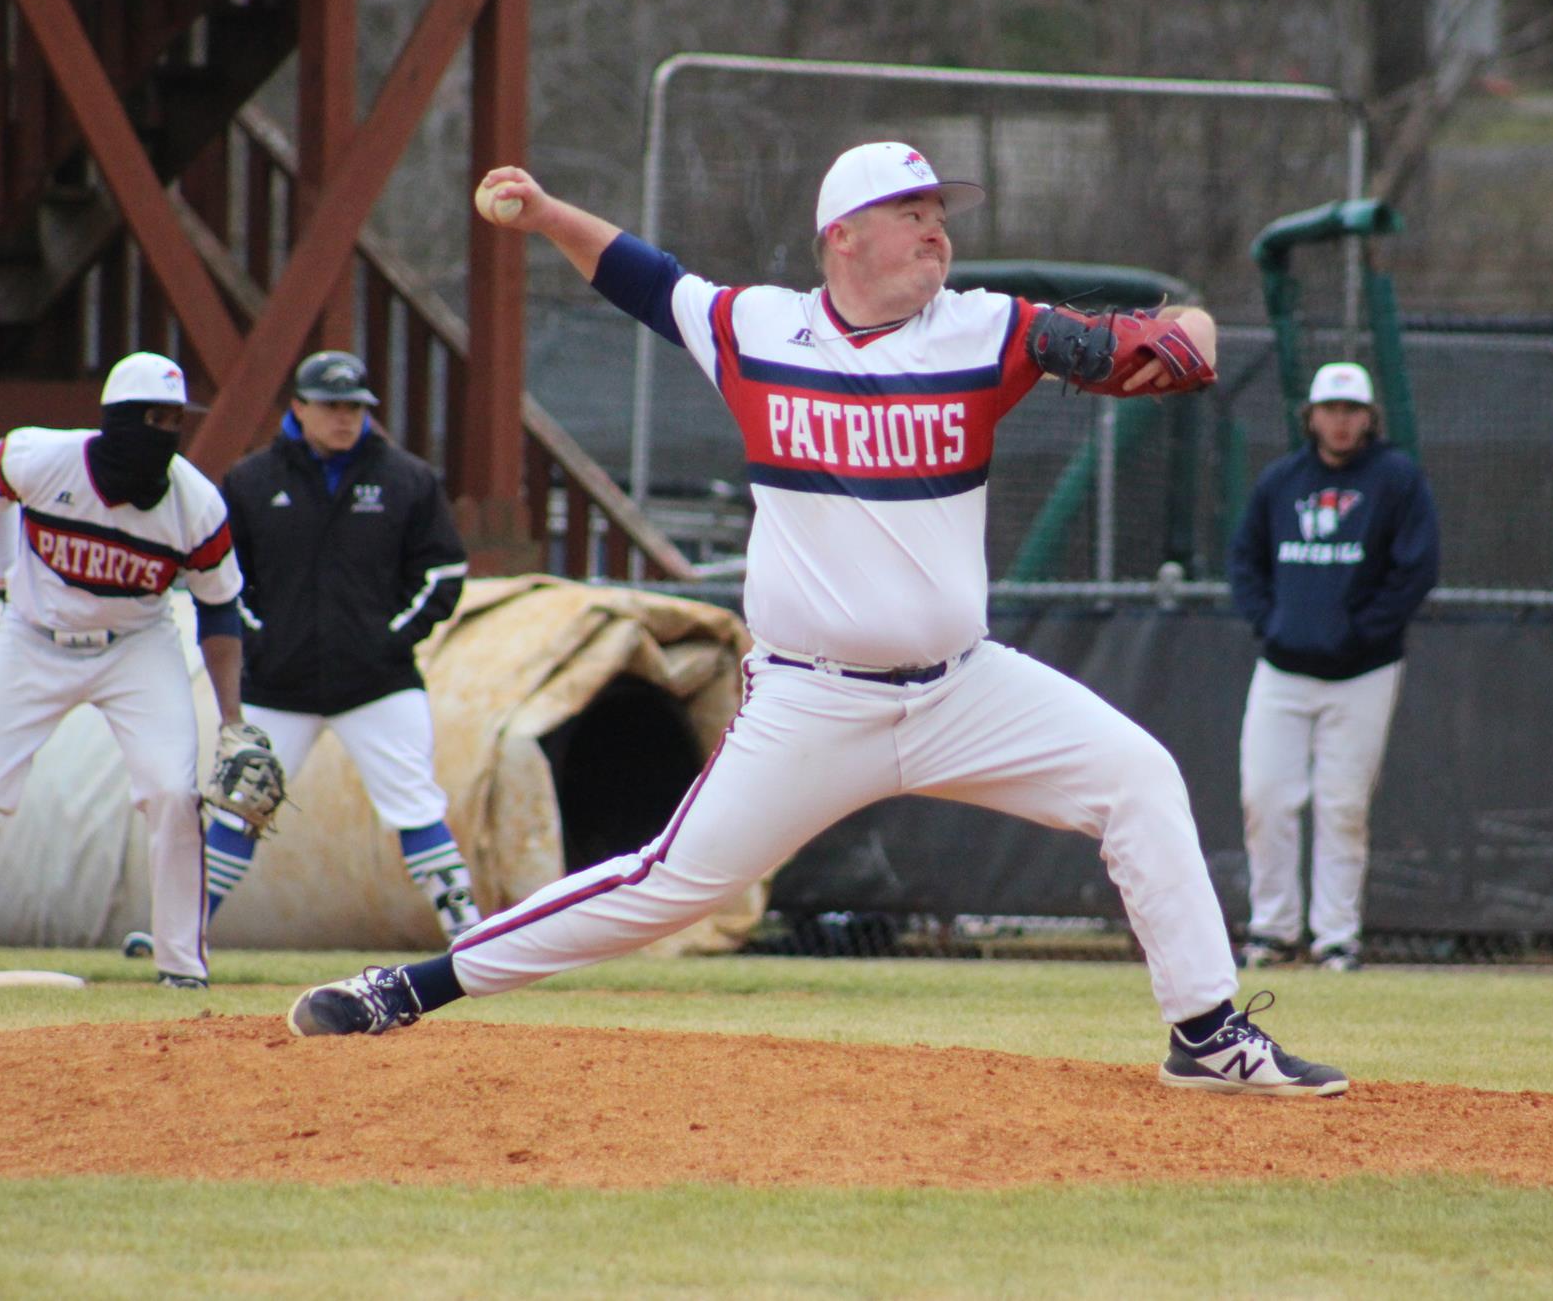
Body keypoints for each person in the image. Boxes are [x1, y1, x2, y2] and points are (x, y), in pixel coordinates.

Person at [286, 141, 1349, 1098]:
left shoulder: (986, 330)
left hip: (962, 688)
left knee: (1138, 779)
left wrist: (1173, 337)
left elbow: (1188, 342)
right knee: (664, 887)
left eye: (942, 210)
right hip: (811, 702)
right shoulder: (757, 328)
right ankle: (408, 987)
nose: (937, 226)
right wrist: (551, 209)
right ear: (842, 236)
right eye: (911, 208)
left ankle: (1205, 1036)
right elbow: (643, 280)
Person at [0, 352, 247, 989]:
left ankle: (182, 965)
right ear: (117, 420)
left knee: (173, 795)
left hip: (137, 646)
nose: (168, 432)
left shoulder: (195, 504)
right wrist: (6, 569)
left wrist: (232, 721)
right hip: (32, 638)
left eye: (177, 419)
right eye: (155, 417)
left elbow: (220, 608)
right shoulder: (44, 458)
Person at [125, 350, 479, 951]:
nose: (344, 417)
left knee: (416, 803)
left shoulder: (406, 479)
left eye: (355, 407)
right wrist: (261, 642)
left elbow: (444, 573)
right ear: (298, 407)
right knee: (240, 806)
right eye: (331, 405)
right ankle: (180, 935)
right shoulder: (251, 481)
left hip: (379, 682)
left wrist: (388, 639)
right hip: (278, 685)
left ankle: (470, 934)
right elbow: (220, 578)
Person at [1227, 361, 1439, 972]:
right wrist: (1273, 624)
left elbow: (1416, 570)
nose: (1341, 422)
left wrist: (1358, 633)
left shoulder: (1397, 479)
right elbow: (1246, 561)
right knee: (1264, 797)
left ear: (1369, 418)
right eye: (1331, 410)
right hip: (1283, 669)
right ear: (1311, 415)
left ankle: (1336, 937)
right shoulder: (1281, 481)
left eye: (1352, 411)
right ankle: (1272, 929)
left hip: (1364, 672)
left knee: (1342, 804)